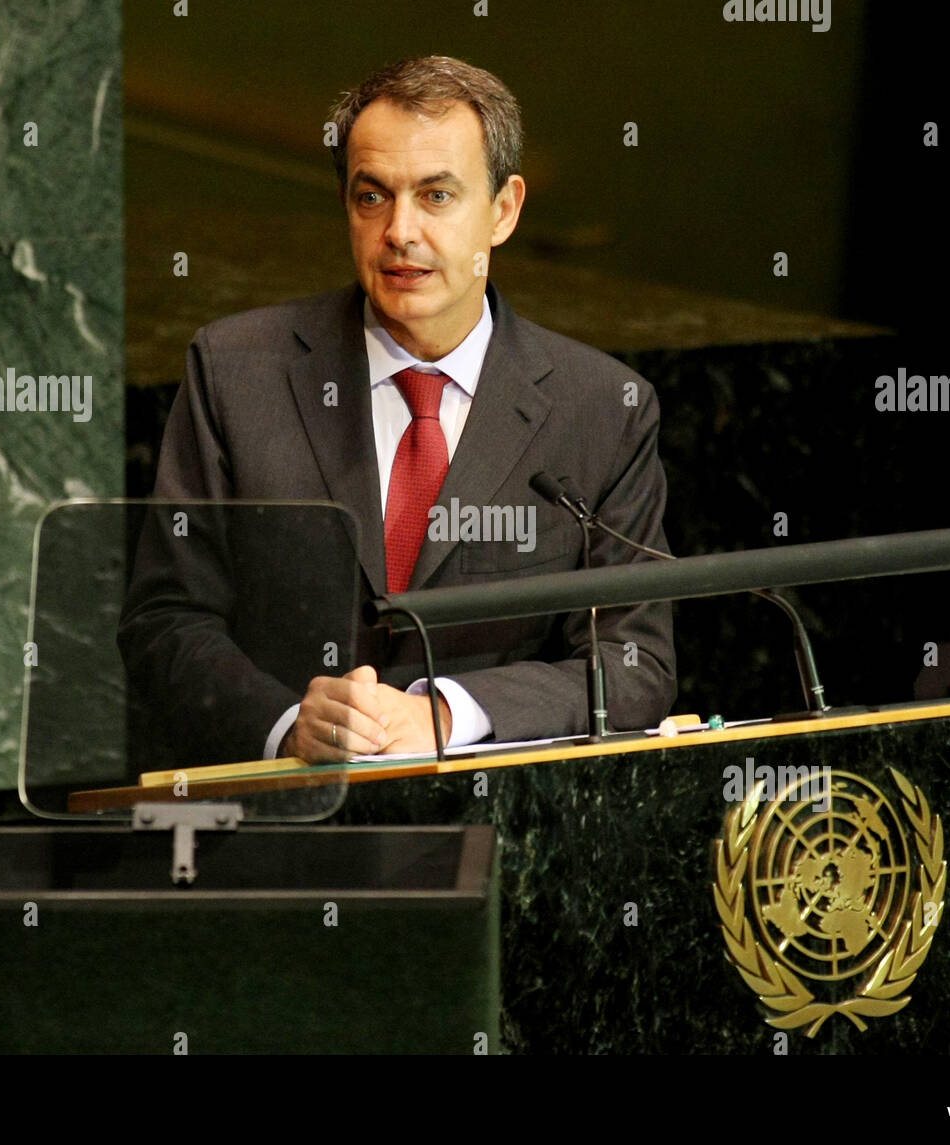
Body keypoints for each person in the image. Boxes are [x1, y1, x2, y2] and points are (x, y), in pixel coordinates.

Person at [118, 56, 675, 767]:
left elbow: (634, 662)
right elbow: (164, 623)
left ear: (503, 210)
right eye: (372, 197)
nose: (399, 231)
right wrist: (289, 722)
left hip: (503, 834)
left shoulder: (600, 409)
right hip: (286, 825)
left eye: (436, 196)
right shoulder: (237, 372)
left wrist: (443, 714)